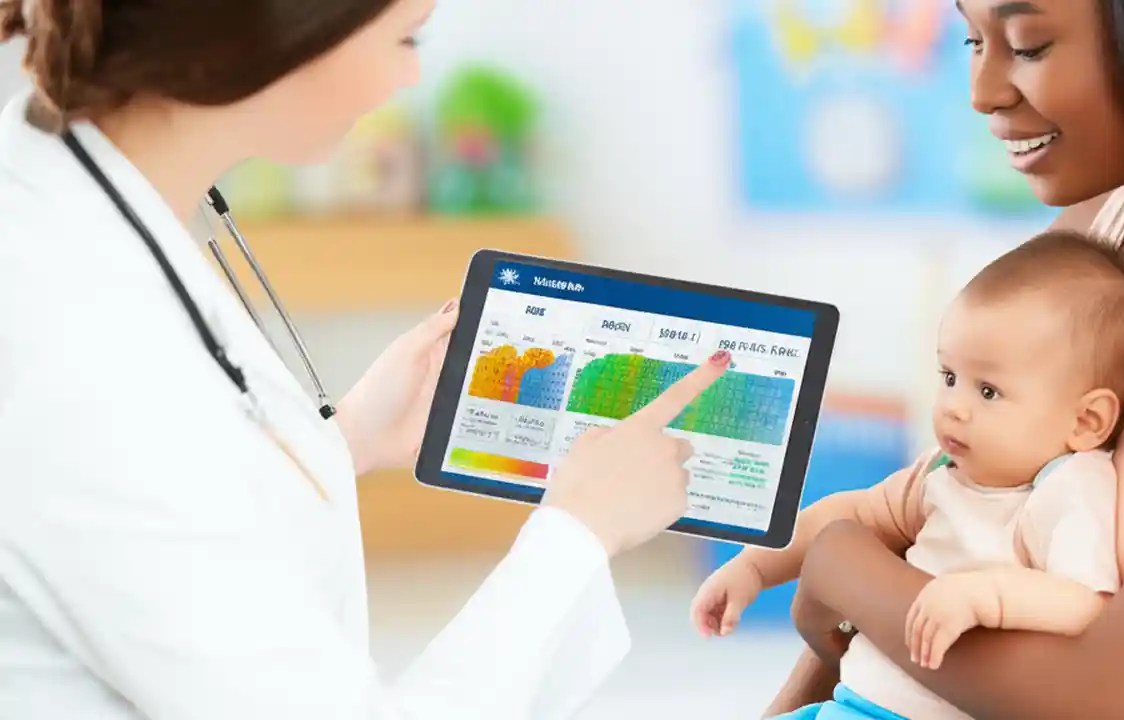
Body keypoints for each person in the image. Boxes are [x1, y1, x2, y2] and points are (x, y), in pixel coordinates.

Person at [0, 1, 731, 717]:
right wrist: (581, 529)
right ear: (278, 33)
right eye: (408, 39)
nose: (408, 80)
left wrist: (341, 442)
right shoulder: (73, 340)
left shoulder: (82, 208)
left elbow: (166, 530)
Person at [768, 1, 1124, 718]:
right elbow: (952, 524)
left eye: (1028, 46)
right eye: (975, 41)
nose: (983, 91)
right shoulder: (1101, 223)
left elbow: (1116, 704)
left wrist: (842, 568)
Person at [693, 232, 1124, 719]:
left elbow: (1086, 602)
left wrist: (985, 597)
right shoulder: (944, 472)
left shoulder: (1068, 487)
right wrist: (754, 568)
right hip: (854, 701)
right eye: (949, 377)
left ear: (1086, 422)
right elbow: (849, 514)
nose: (954, 407)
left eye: (988, 391)